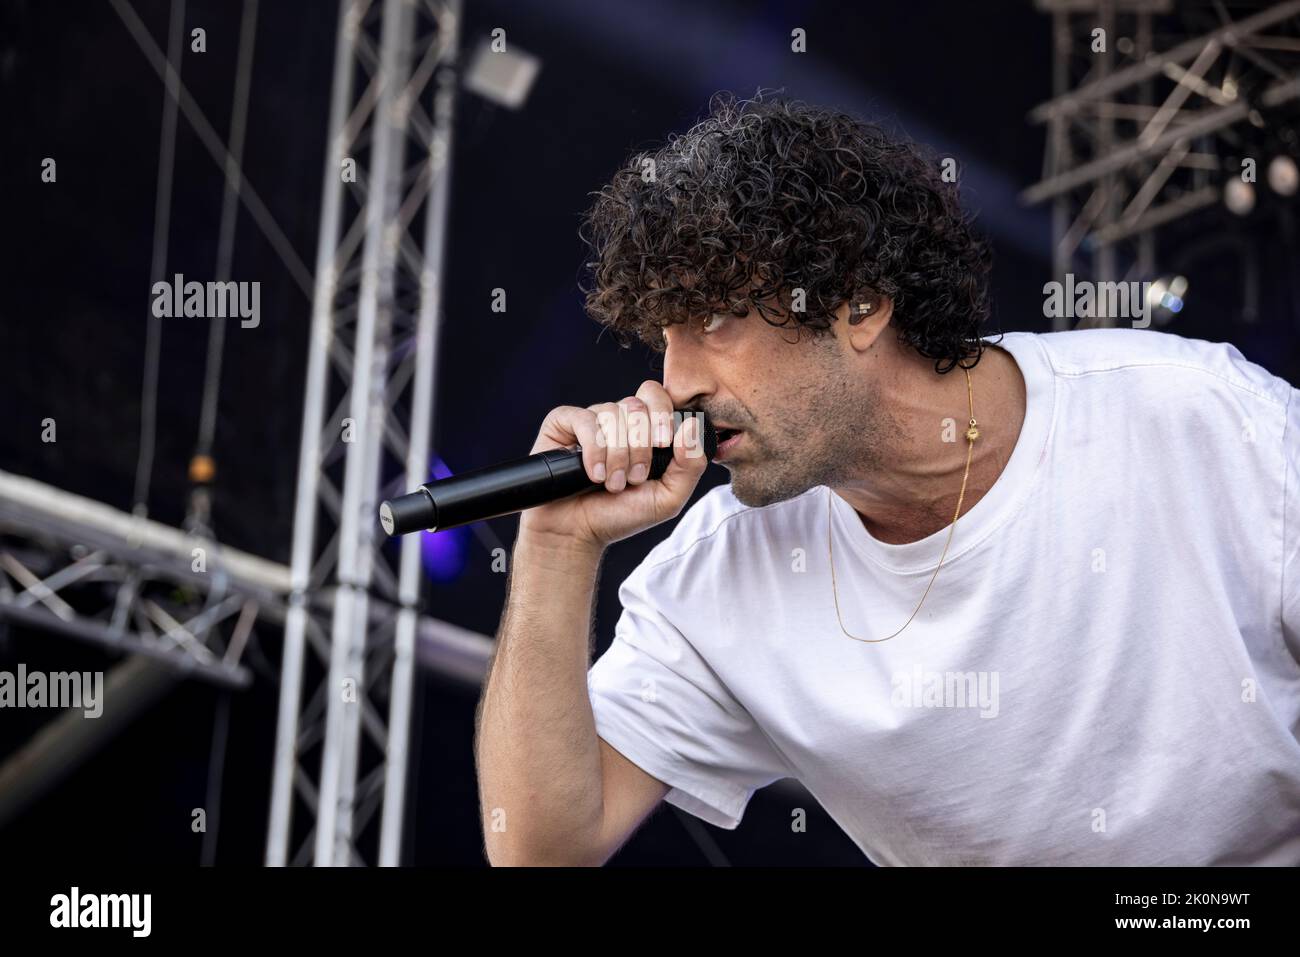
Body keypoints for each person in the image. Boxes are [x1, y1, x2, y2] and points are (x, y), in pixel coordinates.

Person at [474, 92, 1300, 866]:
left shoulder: (1196, 415)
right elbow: (538, 847)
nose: (675, 378)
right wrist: (555, 540)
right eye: (666, 333)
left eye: (715, 319)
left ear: (861, 305)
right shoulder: (722, 573)